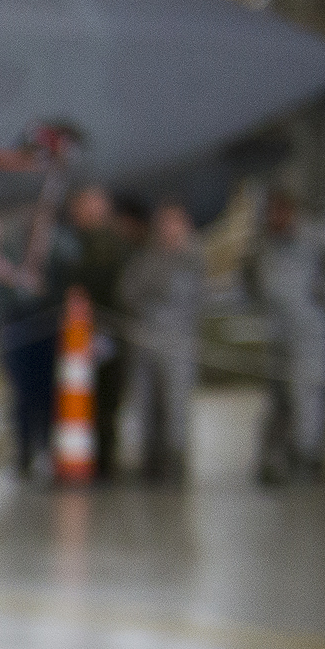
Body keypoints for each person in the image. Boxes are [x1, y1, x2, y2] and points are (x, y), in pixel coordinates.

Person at [246, 188, 325, 485]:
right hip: (279, 336)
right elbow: (254, 279)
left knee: (308, 400)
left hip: (310, 336)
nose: (273, 217)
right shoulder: (266, 243)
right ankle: (274, 461)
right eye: (270, 212)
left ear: (292, 211)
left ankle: (307, 461)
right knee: (279, 402)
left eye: (279, 211)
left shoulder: (314, 237)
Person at [119, 201, 206, 483]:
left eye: (173, 223)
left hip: (178, 344)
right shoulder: (147, 256)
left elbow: (192, 297)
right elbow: (128, 291)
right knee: (145, 404)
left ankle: (174, 462)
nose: (167, 229)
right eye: (163, 223)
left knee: (175, 404)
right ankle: (150, 461)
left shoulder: (193, 257)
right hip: (144, 341)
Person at [65, 185, 139, 480]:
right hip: (86, 331)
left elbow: (110, 283)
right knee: (89, 397)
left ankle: (105, 462)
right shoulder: (81, 241)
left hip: (108, 329)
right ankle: (94, 460)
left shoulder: (110, 242)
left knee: (106, 398)